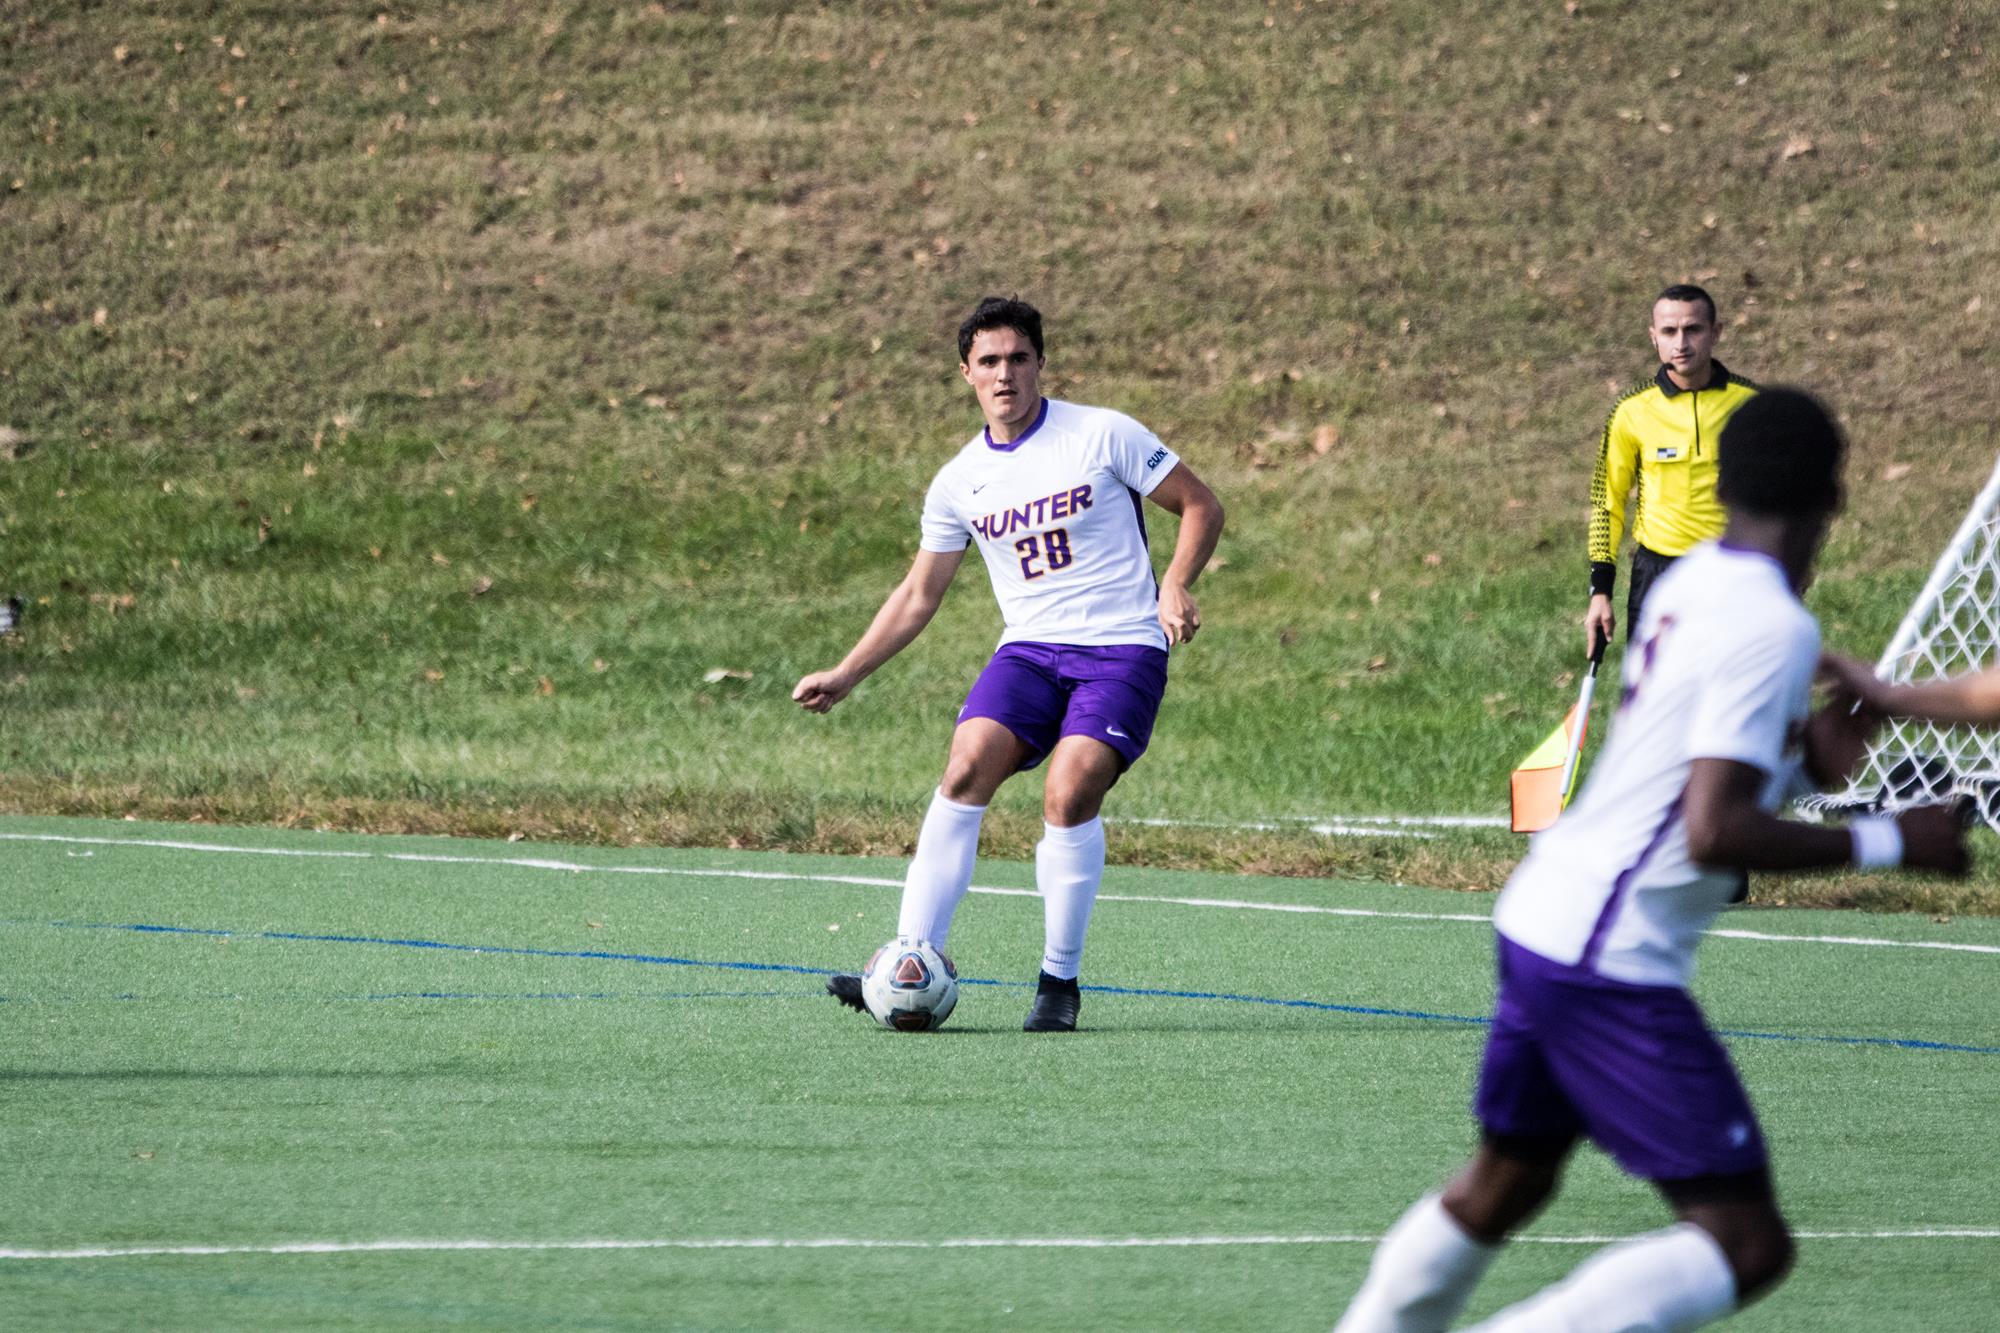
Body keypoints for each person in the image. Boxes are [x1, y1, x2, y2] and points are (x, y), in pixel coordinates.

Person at [1334, 388, 1967, 1333]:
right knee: (1745, 1241)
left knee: (1506, 1181)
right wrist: (1894, 840)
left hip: (1545, 916)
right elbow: (1712, 829)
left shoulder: (1697, 579)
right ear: (1832, 495)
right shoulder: (1775, 625)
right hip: (1608, 955)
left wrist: (1805, 761)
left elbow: (1680, 772)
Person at [792, 296, 1224, 1032]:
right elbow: (919, 594)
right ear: (966, 373)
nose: (1005, 374)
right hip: (1028, 649)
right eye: (988, 362)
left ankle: (1059, 981)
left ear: (1039, 365)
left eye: (1018, 359)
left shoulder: (1102, 433)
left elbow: (1200, 505)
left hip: (1121, 646)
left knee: (1069, 789)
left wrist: (1175, 583)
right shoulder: (960, 480)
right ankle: (909, 960)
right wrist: (846, 671)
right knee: (966, 766)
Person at [1586, 284, 1760, 657]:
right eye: (1669, 332)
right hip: (1658, 575)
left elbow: (1786, 493)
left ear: (1716, 333)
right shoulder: (1631, 410)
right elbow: (1607, 501)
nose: (1681, 342)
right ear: (1654, 338)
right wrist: (1600, 591)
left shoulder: (1752, 406)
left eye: (1693, 329)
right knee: (1654, 703)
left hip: (1732, 572)